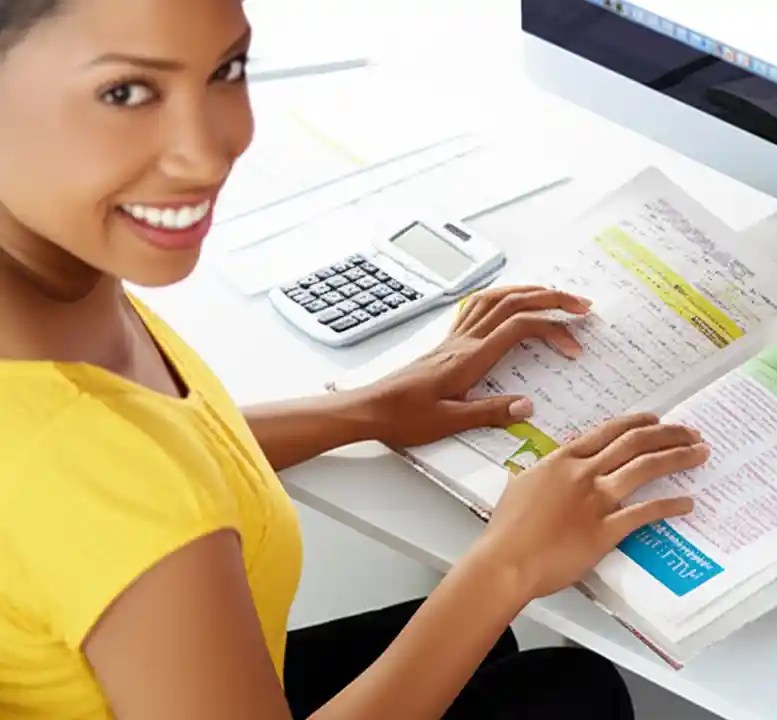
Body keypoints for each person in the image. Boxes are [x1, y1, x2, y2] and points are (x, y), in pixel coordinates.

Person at [0, 1, 711, 718]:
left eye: (226, 69)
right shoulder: (97, 475)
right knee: (572, 698)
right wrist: (511, 564)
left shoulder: (57, 271)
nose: (209, 150)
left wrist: (364, 409)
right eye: (124, 93)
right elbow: (120, 489)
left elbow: (162, 447)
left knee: (524, 670)